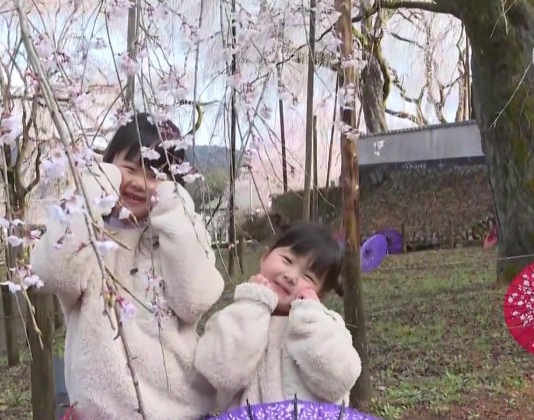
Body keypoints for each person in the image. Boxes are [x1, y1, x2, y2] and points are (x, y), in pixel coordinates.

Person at [31, 112, 225, 419]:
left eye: (157, 176)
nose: (140, 183)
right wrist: (95, 187)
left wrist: (176, 209)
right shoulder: (88, 237)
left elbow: (195, 300)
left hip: (181, 411)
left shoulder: (178, 237)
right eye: (129, 169)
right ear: (107, 166)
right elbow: (54, 273)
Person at [195, 223, 362, 412]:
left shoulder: (326, 326)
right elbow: (218, 374)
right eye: (287, 260)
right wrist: (253, 304)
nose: (291, 276)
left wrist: (311, 316)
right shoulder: (236, 314)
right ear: (265, 257)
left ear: (319, 295)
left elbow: (339, 381)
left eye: (308, 277)